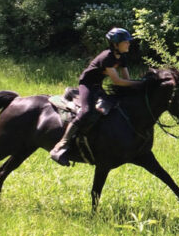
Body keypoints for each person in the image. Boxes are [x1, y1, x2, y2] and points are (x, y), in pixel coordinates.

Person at [49, 27, 141, 166]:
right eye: (125, 42)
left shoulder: (122, 57)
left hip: (98, 86)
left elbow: (126, 80)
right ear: (115, 44)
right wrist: (140, 83)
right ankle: (60, 146)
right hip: (87, 85)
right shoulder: (107, 57)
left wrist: (139, 86)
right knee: (86, 111)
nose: (129, 44)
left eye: (128, 41)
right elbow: (117, 81)